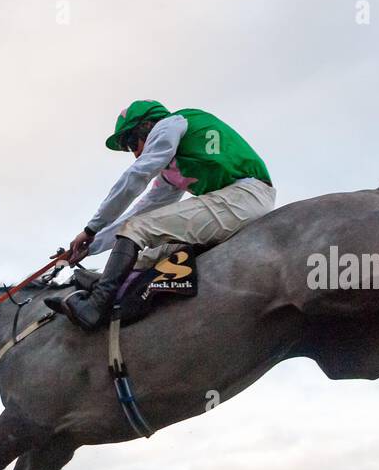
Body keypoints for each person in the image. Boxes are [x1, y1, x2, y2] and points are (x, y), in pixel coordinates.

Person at [46, 100, 276, 331]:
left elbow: (135, 177)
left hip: (245, 197)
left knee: (138, 228)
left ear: (147, 126)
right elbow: (142, 210)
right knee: (143, 254)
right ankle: (105, 287)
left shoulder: (169, 125)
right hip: (234, 204)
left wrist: (91, 229)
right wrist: (90, 247)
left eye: (130, 142)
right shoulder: (172, 170)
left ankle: (95, 306)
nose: (134, 153)